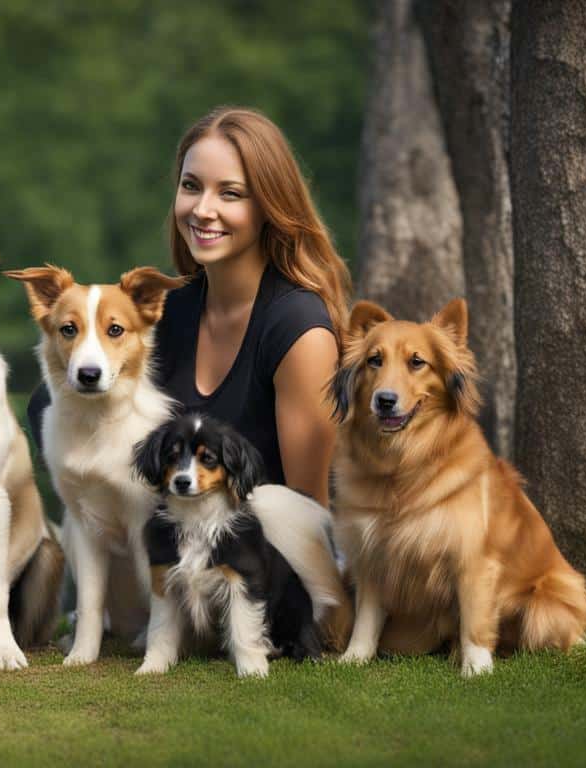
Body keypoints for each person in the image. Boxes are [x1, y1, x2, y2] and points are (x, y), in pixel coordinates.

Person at [26, 105, 351, 565]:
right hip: (163, 565)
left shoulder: (298, 329)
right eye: (191, 186)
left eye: (230, 193)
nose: (202, 209)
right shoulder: (171, 310)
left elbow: (308, 513)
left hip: (262, 574)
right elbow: (63, 400)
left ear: (269, 206)